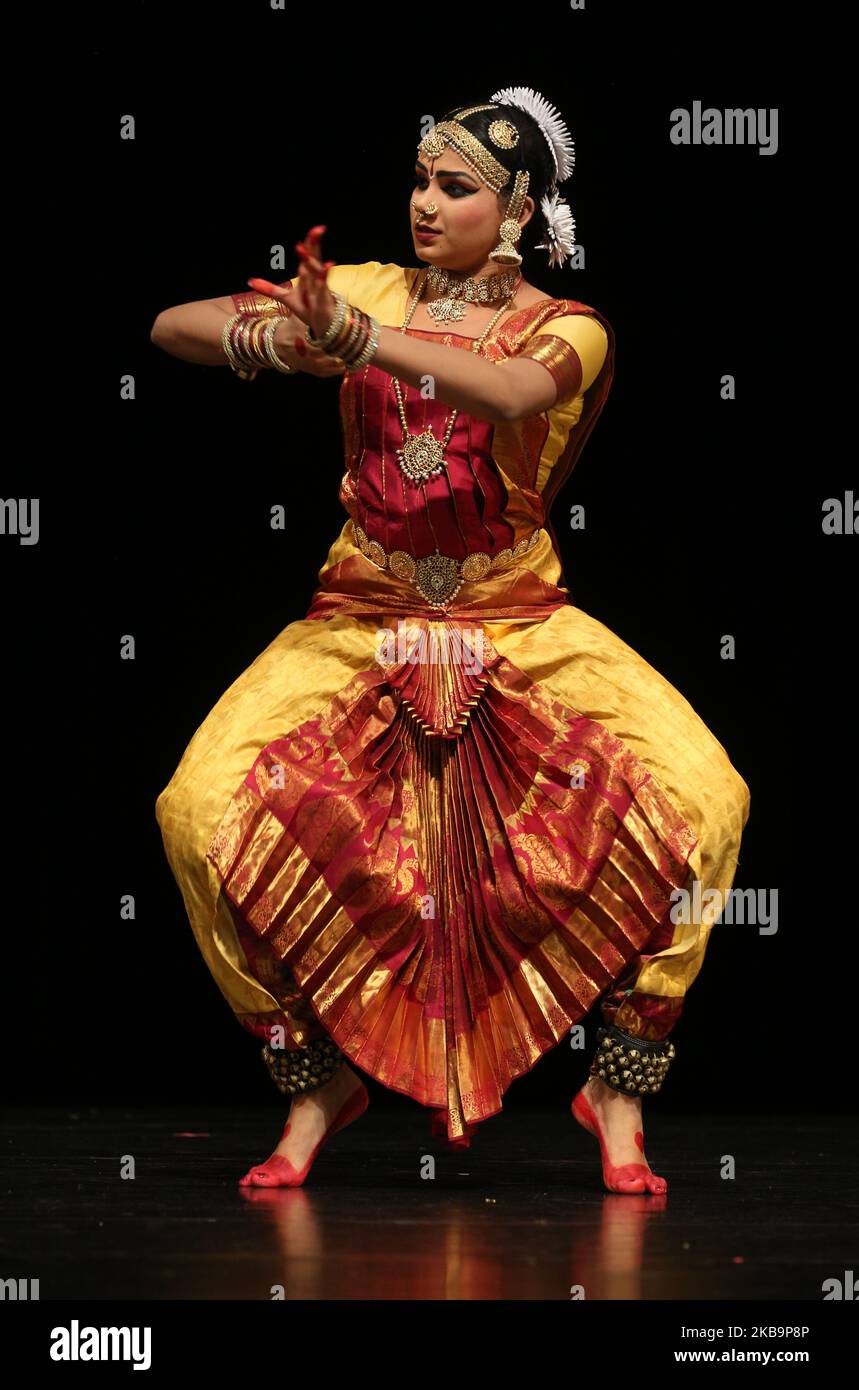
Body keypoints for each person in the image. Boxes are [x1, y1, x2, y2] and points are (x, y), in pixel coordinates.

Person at [152, 89, 750, 1195]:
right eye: (420, 181)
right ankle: (312, 1080)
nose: (424, 203)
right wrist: (286, 344)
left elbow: (509, 392)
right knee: (193, 814)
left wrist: (358, 339)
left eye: (455, 187)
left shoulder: (568, 327)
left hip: (515, 619)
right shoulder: (372, 288)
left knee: (710, 802)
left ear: (517, 208)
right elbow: (170, 326)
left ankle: (615, 1086)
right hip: (362, 616)